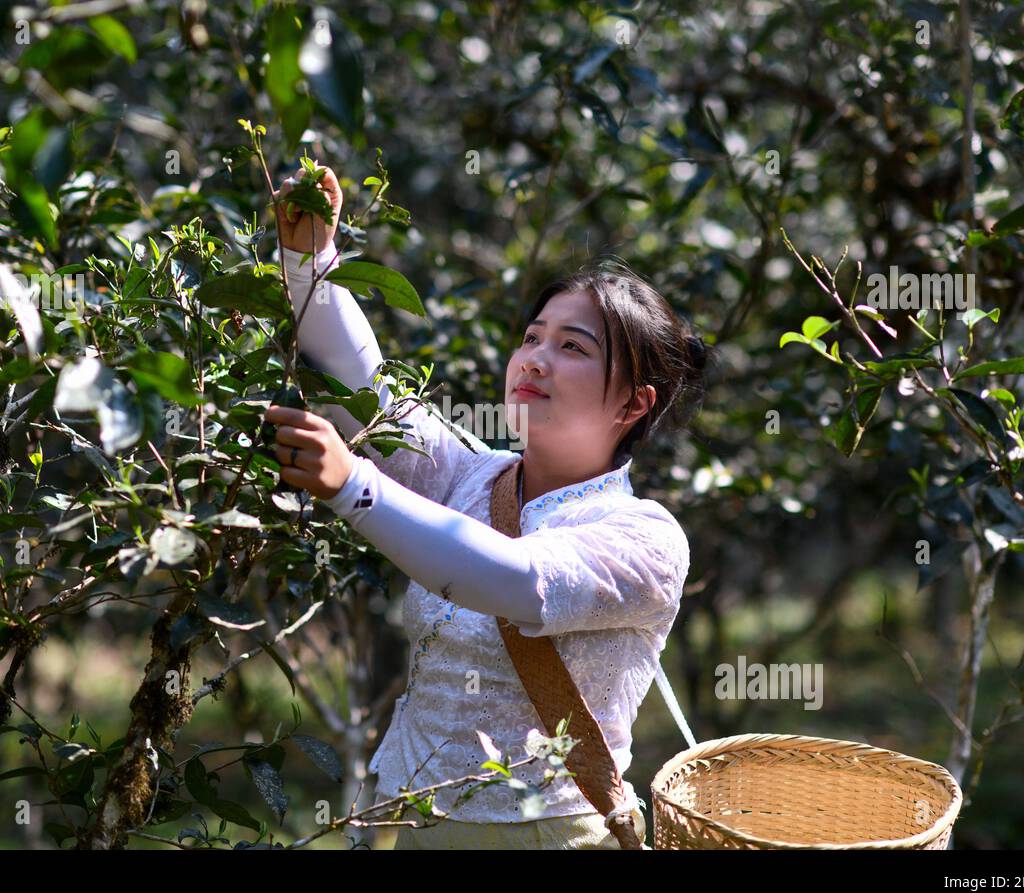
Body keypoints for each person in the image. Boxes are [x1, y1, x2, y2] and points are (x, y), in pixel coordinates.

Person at [262, 161, 711, 849]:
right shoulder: (470, 476)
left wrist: (355, 484)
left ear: (634, 402)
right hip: (404, 821)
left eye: (571, 347)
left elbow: (514, 579)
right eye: (532, 338)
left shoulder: (644, 538)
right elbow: (369, 392)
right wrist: (310, 262)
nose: (534, 358)